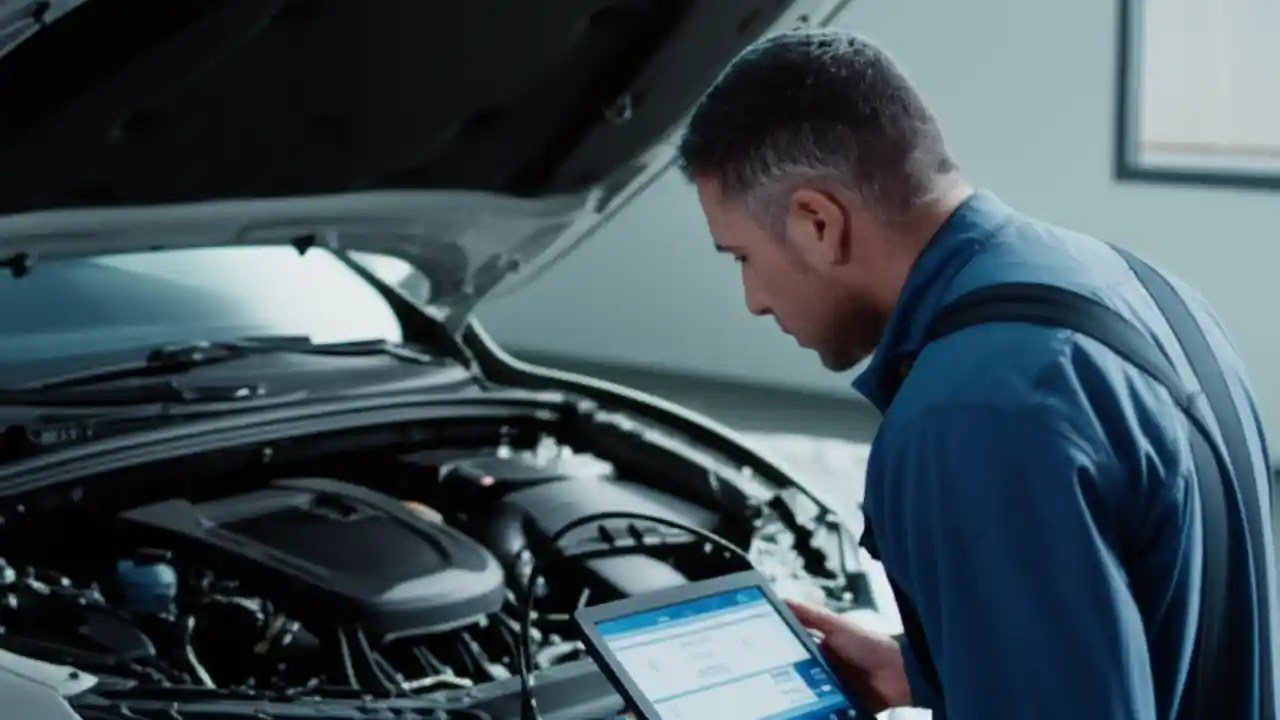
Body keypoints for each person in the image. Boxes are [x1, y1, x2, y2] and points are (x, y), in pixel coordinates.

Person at [675, 28, 1278, 719]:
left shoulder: (967, 415)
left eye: (742, 257)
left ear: (818, 221)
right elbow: (1156, 617)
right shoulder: (1139, 288)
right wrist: (924, 670)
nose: (753, 301)